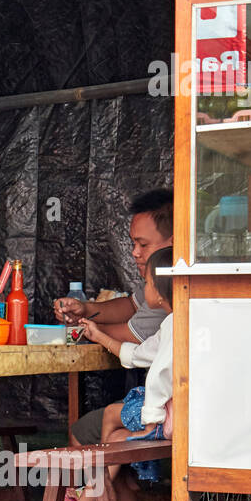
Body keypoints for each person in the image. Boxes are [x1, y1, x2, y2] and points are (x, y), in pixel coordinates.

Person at [51, 246, 175, 501]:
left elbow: (160, 378)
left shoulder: (177, 326)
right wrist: (97, 334)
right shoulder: (174, 324)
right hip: (170, 414)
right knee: (116, 439)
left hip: (170, 417)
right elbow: (137, 355)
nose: (142, 290)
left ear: (161, 291)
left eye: (146, 283)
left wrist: (150, 421)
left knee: (110, 417)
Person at [53, 188, 173, 447]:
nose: (134, 253)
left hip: (172, 412)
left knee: (83, 431)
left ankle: (95, 487)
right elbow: (130, 305)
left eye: (143, 244)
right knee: (113, 434)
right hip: (170, 408)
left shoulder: (169, 297)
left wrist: (88, 330)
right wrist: (84, 311)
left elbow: (130, 339)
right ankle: (115, 487)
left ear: (174, 242)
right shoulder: (161, 289)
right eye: (133, 243)